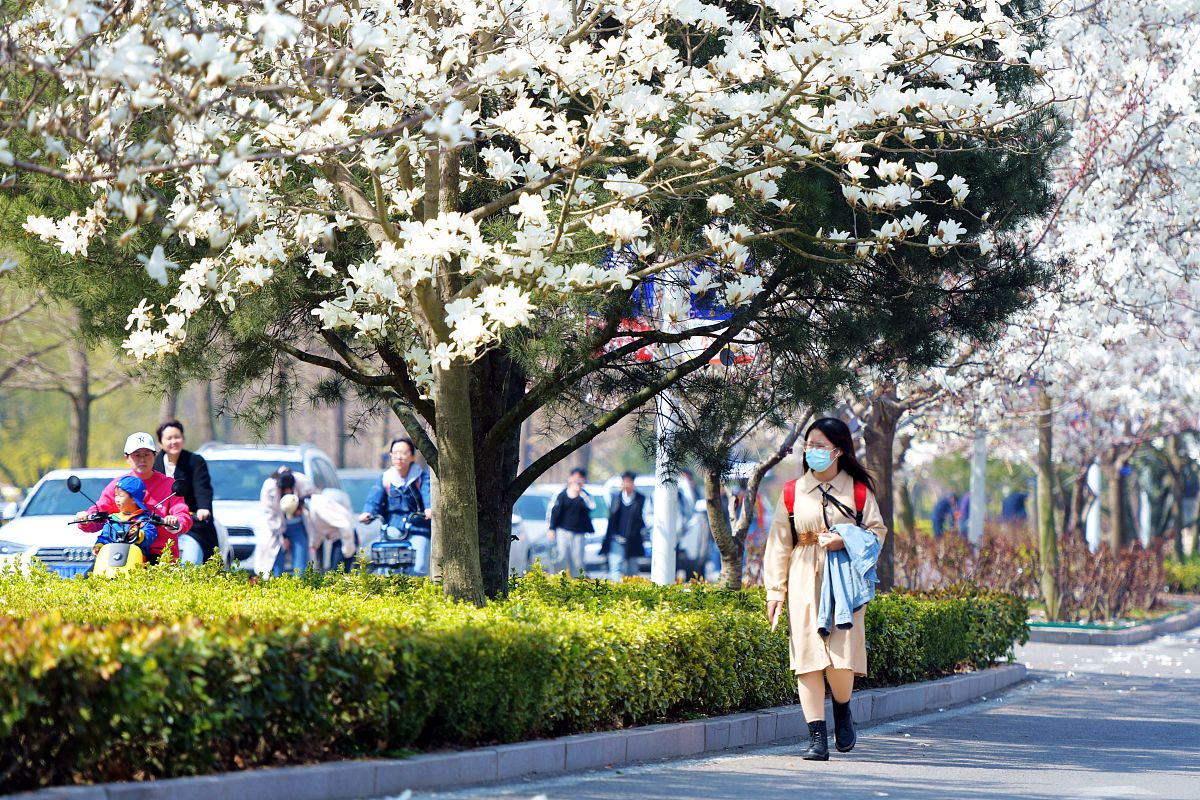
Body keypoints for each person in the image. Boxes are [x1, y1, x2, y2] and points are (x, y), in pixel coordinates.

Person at [764, 417, 887, 762]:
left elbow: (877, 533)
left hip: (845, 580)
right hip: (803, 576)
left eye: (820, 445)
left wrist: (844, 538)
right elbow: (778, 544)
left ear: (839, 450)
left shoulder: (859, 490)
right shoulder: (792, 492)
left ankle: (843, 709)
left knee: (842, 659)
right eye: (809, 445)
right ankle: (816, 737)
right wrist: (776, 591)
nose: (813, 451)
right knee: (807, 659)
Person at [75, 431, 192, 562]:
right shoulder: (117, 485)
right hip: (120, 556)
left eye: (147, 454)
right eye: (137, 455)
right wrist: (86, 518)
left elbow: (182, 514)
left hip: (161, 558)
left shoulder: (169, 485)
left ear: (155, 456)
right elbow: (100, 510)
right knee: (90, 578)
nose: (142, 459)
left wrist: (175, 522)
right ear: (127, 457)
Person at [358, 437, 433, 576]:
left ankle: (417, 592)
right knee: (387, 562)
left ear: (412, 456)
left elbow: (427, 493)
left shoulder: (421, 477)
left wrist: (428, 509)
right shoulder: (386, 478)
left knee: (418, 567)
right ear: (391, 455)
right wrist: (368, 512)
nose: (399, 457)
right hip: (393, 525)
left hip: (418, 527)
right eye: (395, 453)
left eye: (403, 453)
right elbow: (374, 498)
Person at [153, 420, 217, 565]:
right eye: (169, 438)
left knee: (190, 562)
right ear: (161, 442)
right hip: (160, 527)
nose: (173, 441)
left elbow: (203, 488)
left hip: (191, 524)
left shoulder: (195, 461)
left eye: (177, 437)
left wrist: (203, 508)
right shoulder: (153, 463)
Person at [280, 488, 358, 572]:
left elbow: (344, 524)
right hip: (338, 539)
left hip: (345, 538)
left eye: (294, 514)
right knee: (336, 573)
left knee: (338, 573)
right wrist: (314, 544)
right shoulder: (310, 508)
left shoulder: (318, 507)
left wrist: (347, 548)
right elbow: (317, 529)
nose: (296, 516)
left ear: (297, 508)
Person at [257, 467, 313, 576]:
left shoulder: (301, 482)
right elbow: (270, 514)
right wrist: (282, 536)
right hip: (276, 529)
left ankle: (300, 587)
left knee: (301, 564)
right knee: (275, 563)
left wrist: (300, 506)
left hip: (298, 526)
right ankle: (277, 587)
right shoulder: (269, 488)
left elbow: (311, 497)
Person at [90, 475, 157, 558]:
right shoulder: (112, 519)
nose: (117, 499)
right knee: (91, 571)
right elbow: (105, 537)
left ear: (133, 499)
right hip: (112, 560)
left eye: (120, 495)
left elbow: (151, 534)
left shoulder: (143, 520)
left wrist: (139, 534)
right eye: (116, 495)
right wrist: (99, 546)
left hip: (136, 562)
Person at [547, 467, 594, 576]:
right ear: (570, 478)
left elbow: (591, 507)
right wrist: (551, 528)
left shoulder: (585, 495)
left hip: (579, 532)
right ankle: (558, 580)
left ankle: (577, 583)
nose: (577, 481)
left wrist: (580, 493)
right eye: (575, 477)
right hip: (563, 531)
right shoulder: (561, 494)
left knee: (578, 561)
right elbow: (552, 511)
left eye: (580, 479)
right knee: (561, 557)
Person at [602, 471, 647, 581]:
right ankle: (617, 590)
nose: (626, 485)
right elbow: (605, 490)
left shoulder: (640, 499)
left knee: (632, 570)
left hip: (634, 540)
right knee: (616, 567)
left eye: (629, 482)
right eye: (624, 482)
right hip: (616, 538)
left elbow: (645, 518)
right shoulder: (615, 498)